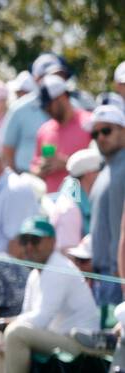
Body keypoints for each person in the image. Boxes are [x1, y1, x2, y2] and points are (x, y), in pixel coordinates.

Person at [0, 216, 99, 373]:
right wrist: (1, 327)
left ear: (52, 242)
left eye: (35, 240)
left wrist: (0, 323)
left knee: (13, 334)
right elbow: (30, 316)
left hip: (80, 343)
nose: (28, 246)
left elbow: (40, 319)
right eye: (24, 240)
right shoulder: (37, 273)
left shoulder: (57, 268)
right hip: (60, 338)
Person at [87, 104, 125, 307]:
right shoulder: (106, 169)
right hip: (104, 276)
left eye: (107, 130)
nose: (100, 137)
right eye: (95, 133)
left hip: (117, 275)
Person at [31, 76, 93, 192]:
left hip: (85, 201)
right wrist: (41, 169)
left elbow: (101, 163)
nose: (46, 110)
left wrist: (67, 163)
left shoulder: (89, 123)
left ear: (62, 97)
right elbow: (34, 167)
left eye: (49, 104)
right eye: (44, 106)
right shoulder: (44, 130)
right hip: (53, 203)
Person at [48, 147, 101, 250]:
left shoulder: (74, 194)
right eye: (99, 170)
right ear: (89, 174)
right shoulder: (70, 209)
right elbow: (68, 254)